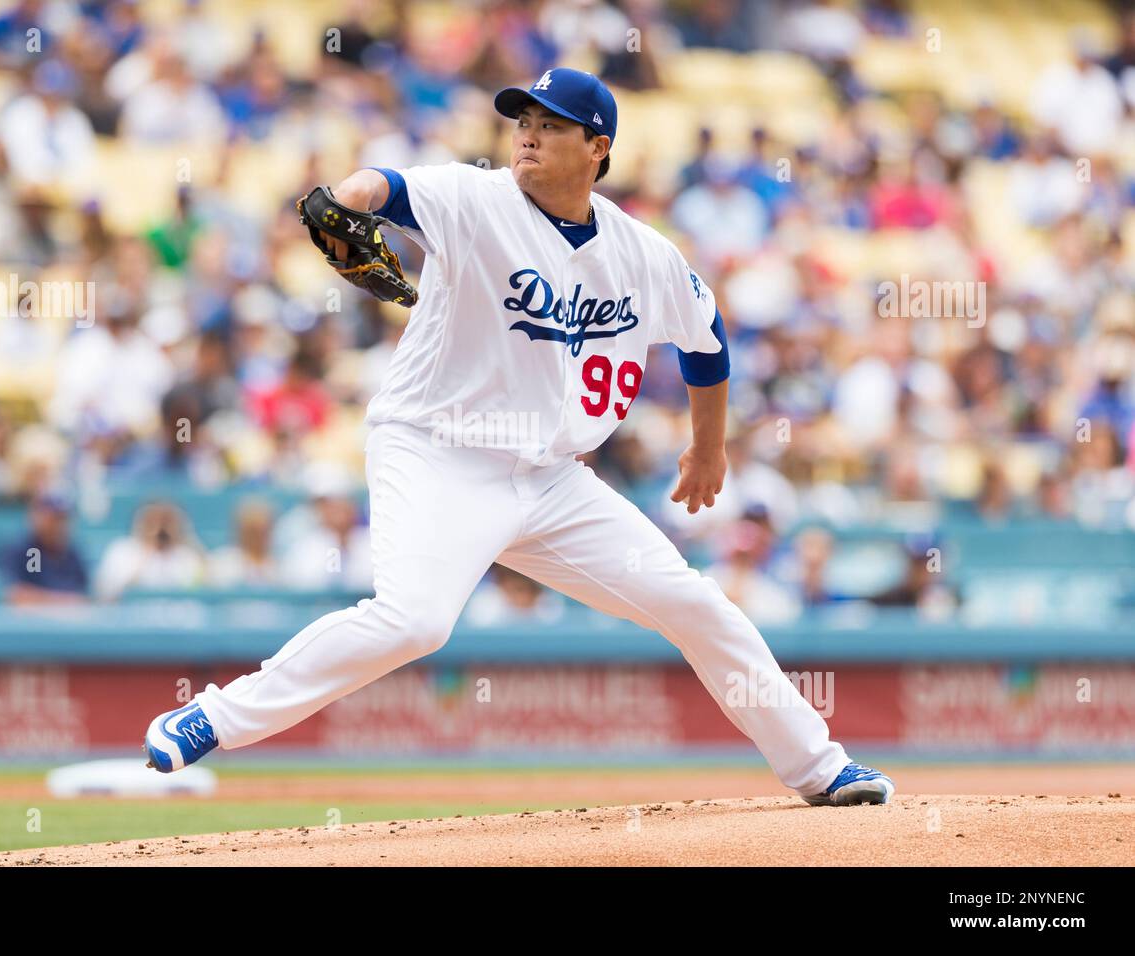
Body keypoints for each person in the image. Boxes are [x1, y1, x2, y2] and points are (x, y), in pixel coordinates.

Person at [143, 68, 894, 807]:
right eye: (523, 122)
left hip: (552, 480)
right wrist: (341, 201)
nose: (528, 135)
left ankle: (821, 767)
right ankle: (213, 716)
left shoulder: (643, 254)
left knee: (694, 604)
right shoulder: (477, 199)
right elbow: (386, 186)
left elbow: (707, 342)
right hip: (436, 451)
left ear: (598, 147)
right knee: (416, 621)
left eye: (550, 125)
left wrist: (709, 447)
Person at [0, 492, 89, 605]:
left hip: (66, 621)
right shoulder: (26, 550)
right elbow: (17, 595)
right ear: (36, 516)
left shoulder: (72, 553)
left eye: (63, 519)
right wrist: (62, 602)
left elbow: (82, 596)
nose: (59, 525)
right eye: (53, 519)